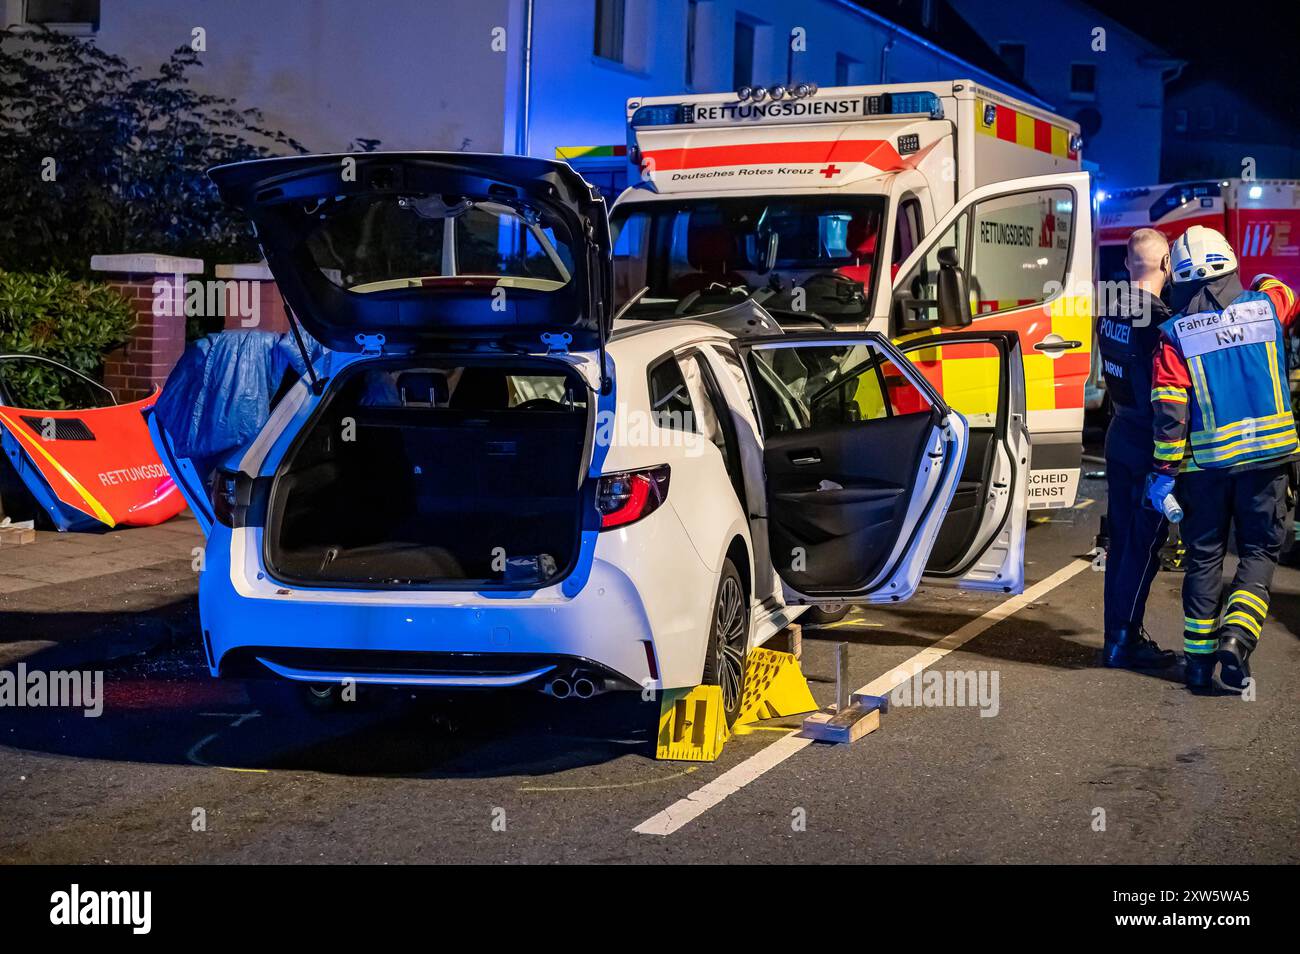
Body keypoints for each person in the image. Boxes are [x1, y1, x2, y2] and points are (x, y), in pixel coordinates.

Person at [1147, 225, 1300, 691]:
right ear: (1231, 264)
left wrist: (1163, 473)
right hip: (1269, 465)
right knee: (1257, 553)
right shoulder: (1267, 307)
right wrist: (1250, 287)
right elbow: (1283, 289)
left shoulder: (1173, 334)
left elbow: (1170, 412)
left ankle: (1197, 665)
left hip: (1206, 471)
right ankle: (1236, 638)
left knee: (1204, 559)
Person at [1098, 228, 1178, 668]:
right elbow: (1166, 395)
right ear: (1166, 264)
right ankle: (1124, 641)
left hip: (1119, 436)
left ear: (1129, 265)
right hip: (1148, 443)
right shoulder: (1159, 321)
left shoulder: (1109, 309)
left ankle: (1115, 634)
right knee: (1143, 545)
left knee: (1123, 542)